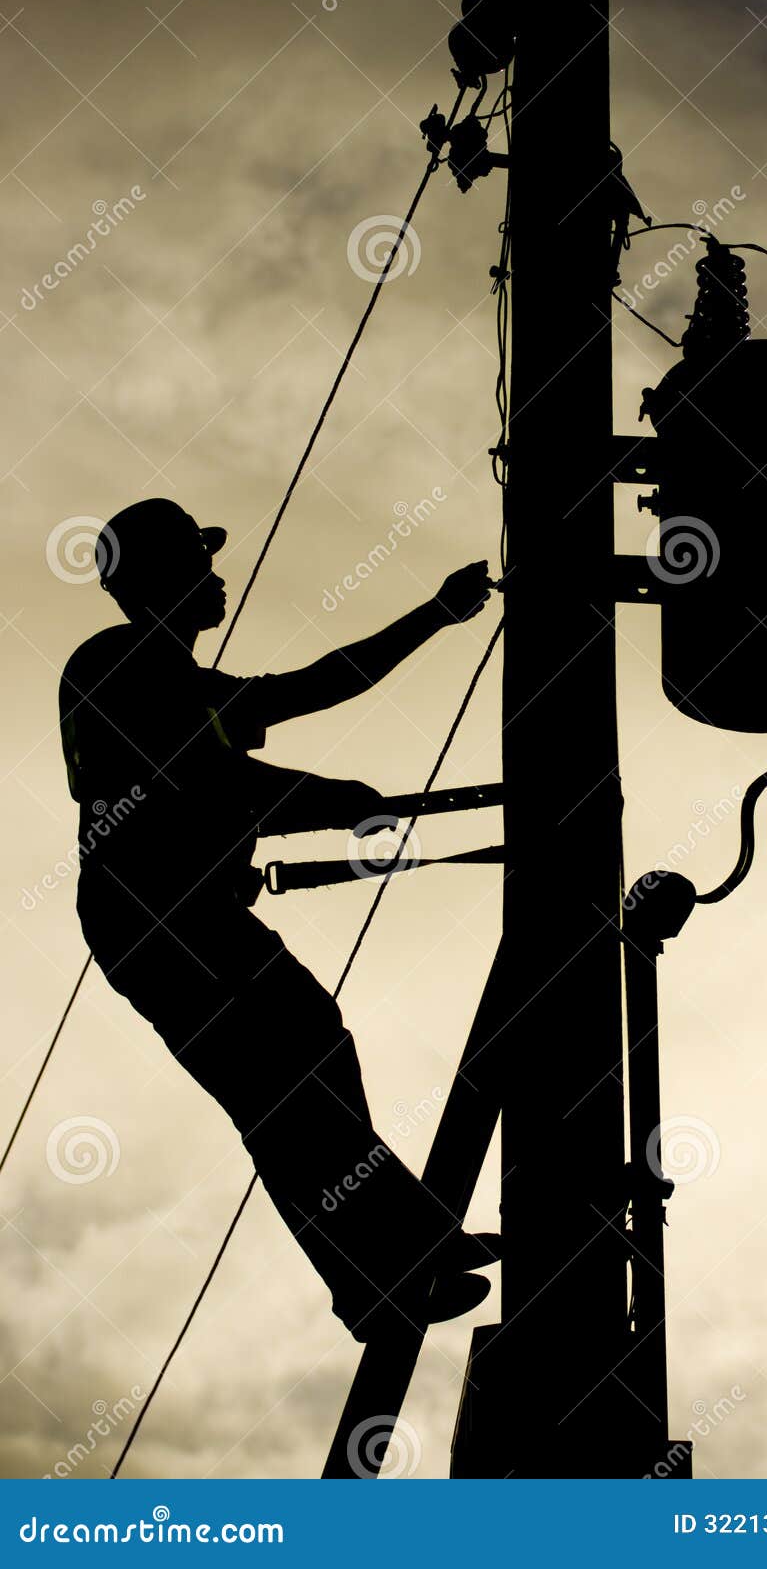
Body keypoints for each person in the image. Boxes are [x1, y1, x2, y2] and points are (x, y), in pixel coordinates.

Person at [59, 496, 497, 1339]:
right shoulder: (123, 665)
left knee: (299, 1066)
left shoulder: (171, 679)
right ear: (167, 574)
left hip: (173, 914)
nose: (216, 577)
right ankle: (404, 1248)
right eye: (201, 561)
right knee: (285, 1081)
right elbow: (209, 785)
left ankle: (381, 1276)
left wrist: (435, 615)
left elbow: (313, 687)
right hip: (159, 916)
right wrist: (338, 802)